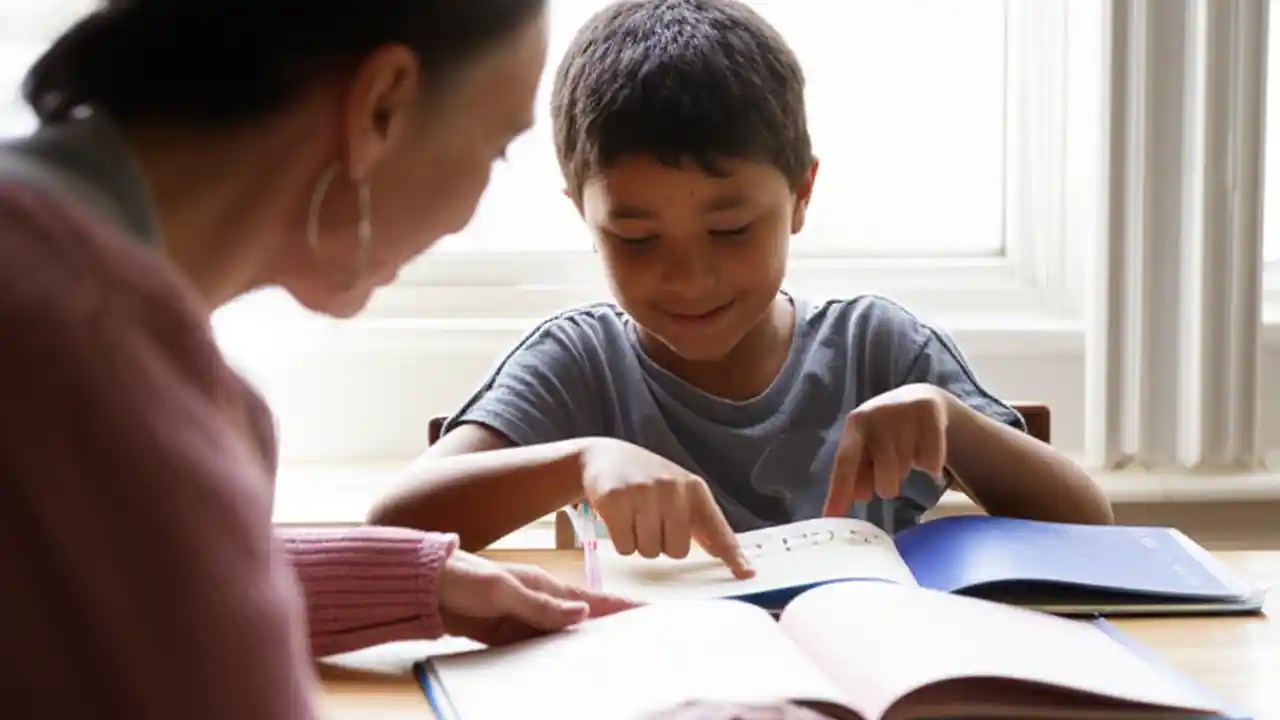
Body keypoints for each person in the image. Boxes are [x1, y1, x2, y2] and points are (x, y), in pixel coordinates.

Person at [0, 2, 634, 718]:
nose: (468, 212)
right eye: (497, 150)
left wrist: (410, 583)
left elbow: (117, 569)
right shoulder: (97, 372)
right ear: (381, 108)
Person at [368, 0, 1115, 573]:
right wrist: (578, 462)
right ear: (582, 215)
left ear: (800, 196)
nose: (689, 275)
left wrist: (958, 427)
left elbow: (1093, 529)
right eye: (635, 238)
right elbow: (385, 530)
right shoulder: (579, 365)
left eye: (730, 229)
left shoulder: (878, 349)